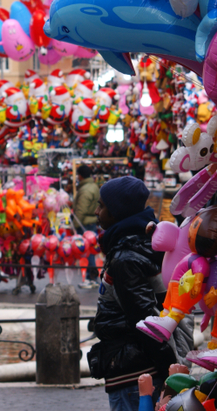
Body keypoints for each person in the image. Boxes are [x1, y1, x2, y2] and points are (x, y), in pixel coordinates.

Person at [89, 176, 176, 411]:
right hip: (140, 367)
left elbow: (147, 322)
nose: (97, 211)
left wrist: (172, 376)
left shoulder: (125, 258)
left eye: (102, 205)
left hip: (134, 374)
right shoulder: (140, 243)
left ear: (117, 212)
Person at [73, 165, 100, 288]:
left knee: (87, 251)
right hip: (91, 222)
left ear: (80, 175)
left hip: (84, 223)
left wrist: (75, 226)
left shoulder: (85, 190)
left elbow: (81, 211)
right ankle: (92, 277)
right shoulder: (93, 186)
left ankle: (91, 277)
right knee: (91, 251)